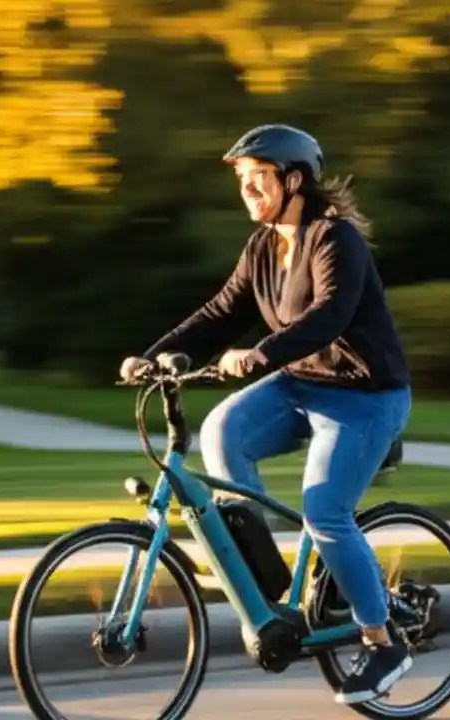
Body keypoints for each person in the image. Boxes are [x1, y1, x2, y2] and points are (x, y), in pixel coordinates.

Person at [119, 124, 413, 704]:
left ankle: (383, 642)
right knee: (223, 431)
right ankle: (269, 586)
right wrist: (151, 357)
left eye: (258, 181)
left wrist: (262, 353)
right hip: (301, 385)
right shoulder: (261, 248)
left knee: (325, 511)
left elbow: (330, 315)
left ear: (294, 180)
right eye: (243, 183)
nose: (249, 193)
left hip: (366, 397)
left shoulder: (336, 239)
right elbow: (221, 312)